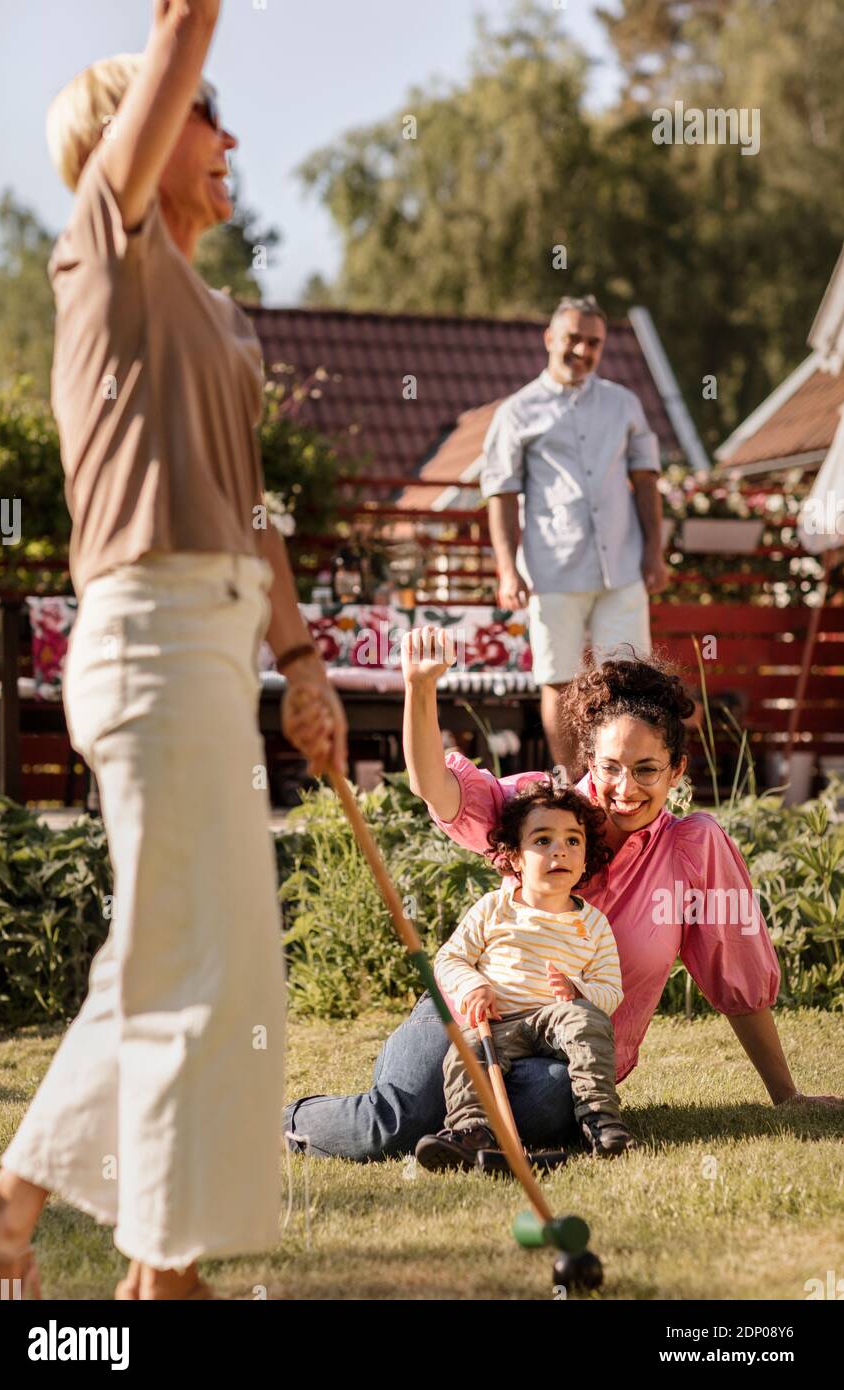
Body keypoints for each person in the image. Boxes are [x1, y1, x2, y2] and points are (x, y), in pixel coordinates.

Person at [0, 0, 346, 1302]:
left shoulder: (219, 314)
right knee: (189, 957)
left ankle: (21, 1213)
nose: (229, 132)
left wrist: (301, 662)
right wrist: (184, 34)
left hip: (215, 634)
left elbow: (255, 502)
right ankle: (159, 1271)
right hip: (143, 633)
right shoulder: (105, 244)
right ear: (130, 133)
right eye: (204, 111)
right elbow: (182, 22)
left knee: (190, 949)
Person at [282, 629, 842, 1162]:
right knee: (395, 1126)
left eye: (646, 770)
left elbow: (735, 972)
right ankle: (282, 1120)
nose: (625, 790)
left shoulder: (692, 849)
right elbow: (438, 788)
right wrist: (420, 688)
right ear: (588, 763)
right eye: (610, 768)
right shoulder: (542, 812)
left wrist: (785, 1096)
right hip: (473, 1014)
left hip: (565, 1056)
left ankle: (464, 1129)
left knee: (554, 1100)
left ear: (677, 769)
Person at [483, 294, 669, 776]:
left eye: (594, 342)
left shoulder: (624, 404)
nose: (583, 350)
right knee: (559, 680)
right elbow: (500, 494)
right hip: (553, 569)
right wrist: (506, 568)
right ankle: (572, 790)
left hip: (623, 566)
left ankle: (624, 785)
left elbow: (646, 481)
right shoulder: (516, 412)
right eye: (573, 339)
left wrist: (655, 552)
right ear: (550, 338)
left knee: (630, 681)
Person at [415, 779, 635, 1172]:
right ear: (514, 857)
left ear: (585, 857)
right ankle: (472, 1130)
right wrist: (474, 986)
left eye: (572, 841)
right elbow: (450, 958)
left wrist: (578, 990)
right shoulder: (494, 908)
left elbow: (611, 989)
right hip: (499, 1022)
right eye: (543, 840)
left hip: (555, 1018)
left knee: (586, 1020)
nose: (559, 851)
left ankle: (600, 1118)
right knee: (466, 1052)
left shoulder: (593, 923)